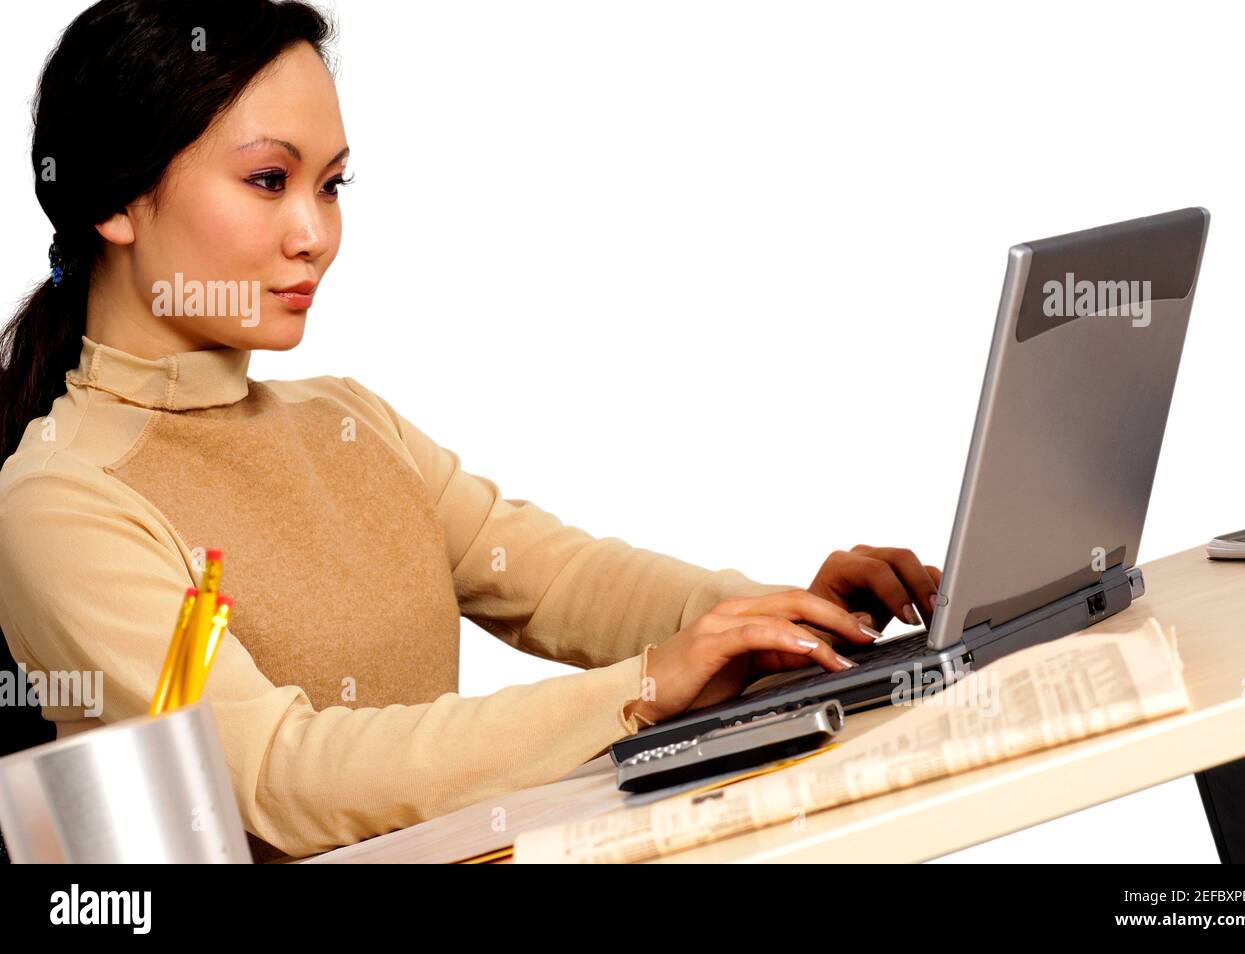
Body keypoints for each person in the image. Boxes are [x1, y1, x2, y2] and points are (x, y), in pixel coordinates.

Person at [0, 0, 943, 862]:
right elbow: (276, 774)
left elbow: (561, 580)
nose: (314, 234)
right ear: (113, 202)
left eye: (331, 186)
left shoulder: (345, 421)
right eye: (267, 179)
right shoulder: (59, 501)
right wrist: (646, 686)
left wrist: (776, 621)